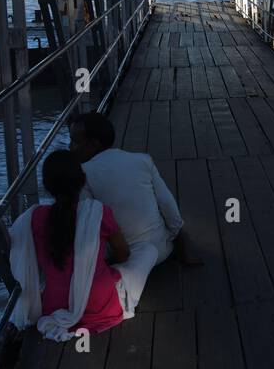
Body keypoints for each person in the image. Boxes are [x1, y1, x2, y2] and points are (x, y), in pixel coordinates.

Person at [69, 111, 201, 318]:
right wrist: (180, 240)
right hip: (160, 250)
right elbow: (168, 204)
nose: (70, 147)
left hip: (119, 255)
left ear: (94, 144)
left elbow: (90, 221)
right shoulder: (142, 160)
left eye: (75, 141)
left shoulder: (83, 173)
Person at [8, 149, 130, 341]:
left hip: (55, 305)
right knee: (148, 252)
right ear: (83, 180)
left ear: (47, 186)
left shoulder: (33, 219)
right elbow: (124, 254)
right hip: (100, 307)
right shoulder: (98, 213)